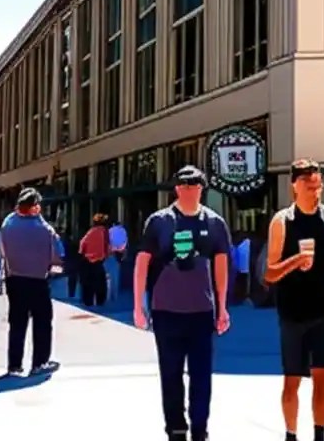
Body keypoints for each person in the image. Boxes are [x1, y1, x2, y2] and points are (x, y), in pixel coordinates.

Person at [134, 165, 232, 441]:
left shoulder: (214, 223)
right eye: (184, 185)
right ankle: (176, 428)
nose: (189, 190)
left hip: (202, 311)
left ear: (202, 189)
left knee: (202, 376)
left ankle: (200, 429)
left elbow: (221, 266)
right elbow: (142, 262)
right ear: (176, 189)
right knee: (171, 373)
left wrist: (222, 307)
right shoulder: (159, 221)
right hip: (166, 310)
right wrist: (139, 305)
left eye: (194, 186)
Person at [264, 159, 324, 441]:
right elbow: (270, 273)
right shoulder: (282, 221)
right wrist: (296, 261)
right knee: (292, 380)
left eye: (318, 186)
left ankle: (319, 435)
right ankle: (291, 435)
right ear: (295, 187)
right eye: (309, 187)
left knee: (323, 380)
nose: (315, 192)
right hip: (293, 313)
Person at [0, 188, 61, 375]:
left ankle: (14, 365)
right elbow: (56, 254)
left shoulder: (8, 224)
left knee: (17, 323)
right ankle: (39, 363)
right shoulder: (44, 228)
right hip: (38, 280)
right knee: (42, 322)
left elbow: (3, 252)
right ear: (35, 206)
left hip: (14, 279)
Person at [78, 214, 110, 307]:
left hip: (87, 260)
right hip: (99, 260)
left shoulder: (90, 231)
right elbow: (107, 245)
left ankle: (88, 301)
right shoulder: (104, 231)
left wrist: (82, 254)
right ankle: (100, 301)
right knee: (100, 283)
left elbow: (82, 244)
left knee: (87, 283)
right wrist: (106, 255)